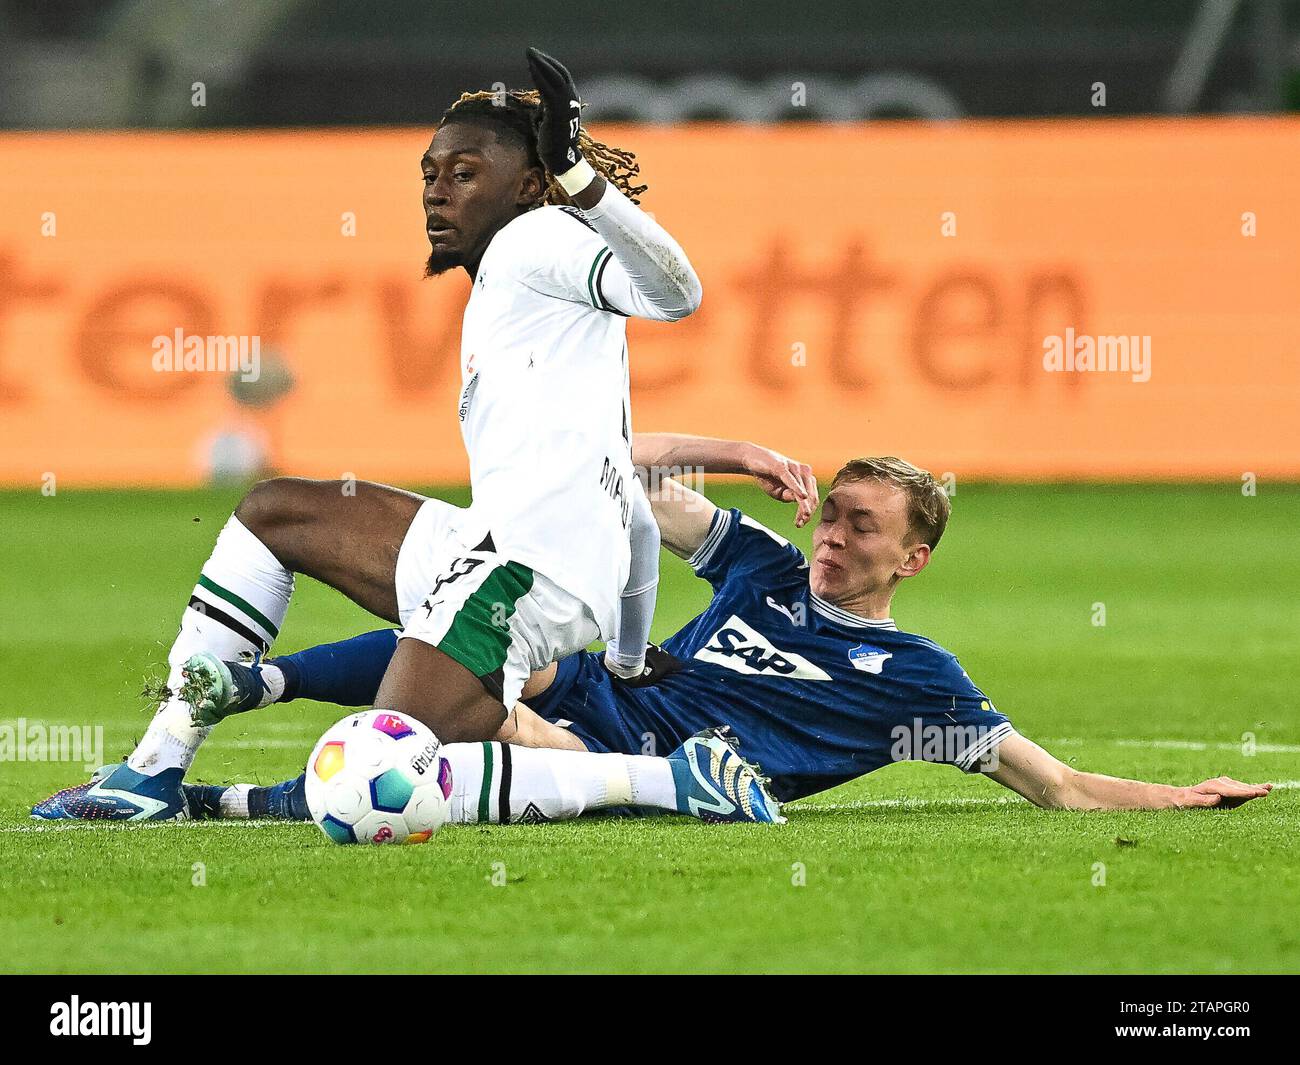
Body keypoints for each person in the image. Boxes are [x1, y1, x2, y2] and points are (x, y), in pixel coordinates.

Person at [32, 48, 710, 822]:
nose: (436, 191)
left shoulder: (542, 238)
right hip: (496, 551)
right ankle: (151, 771)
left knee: (385, 764)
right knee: (276, 512)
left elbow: (679, 291)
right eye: (429, 173)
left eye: (463, 173)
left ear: (528, 183)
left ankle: (667, 783)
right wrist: (625, 653)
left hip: (523, 574)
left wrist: (578, 176)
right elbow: (628, 498)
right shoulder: (523, 291)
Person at [175, 432, 1273, 825]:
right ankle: (263, 690)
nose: (833, 537)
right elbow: (618, 472)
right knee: (503, 626)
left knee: (484, 722)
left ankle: (227, 802)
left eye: (861, 527)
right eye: (831, 513)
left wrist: (1177, 797)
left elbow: (1057, 786)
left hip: (638, 762)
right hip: (602, 695)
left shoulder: (913, 682)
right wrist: (741, 455)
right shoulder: (762, 565)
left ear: (913, 559)